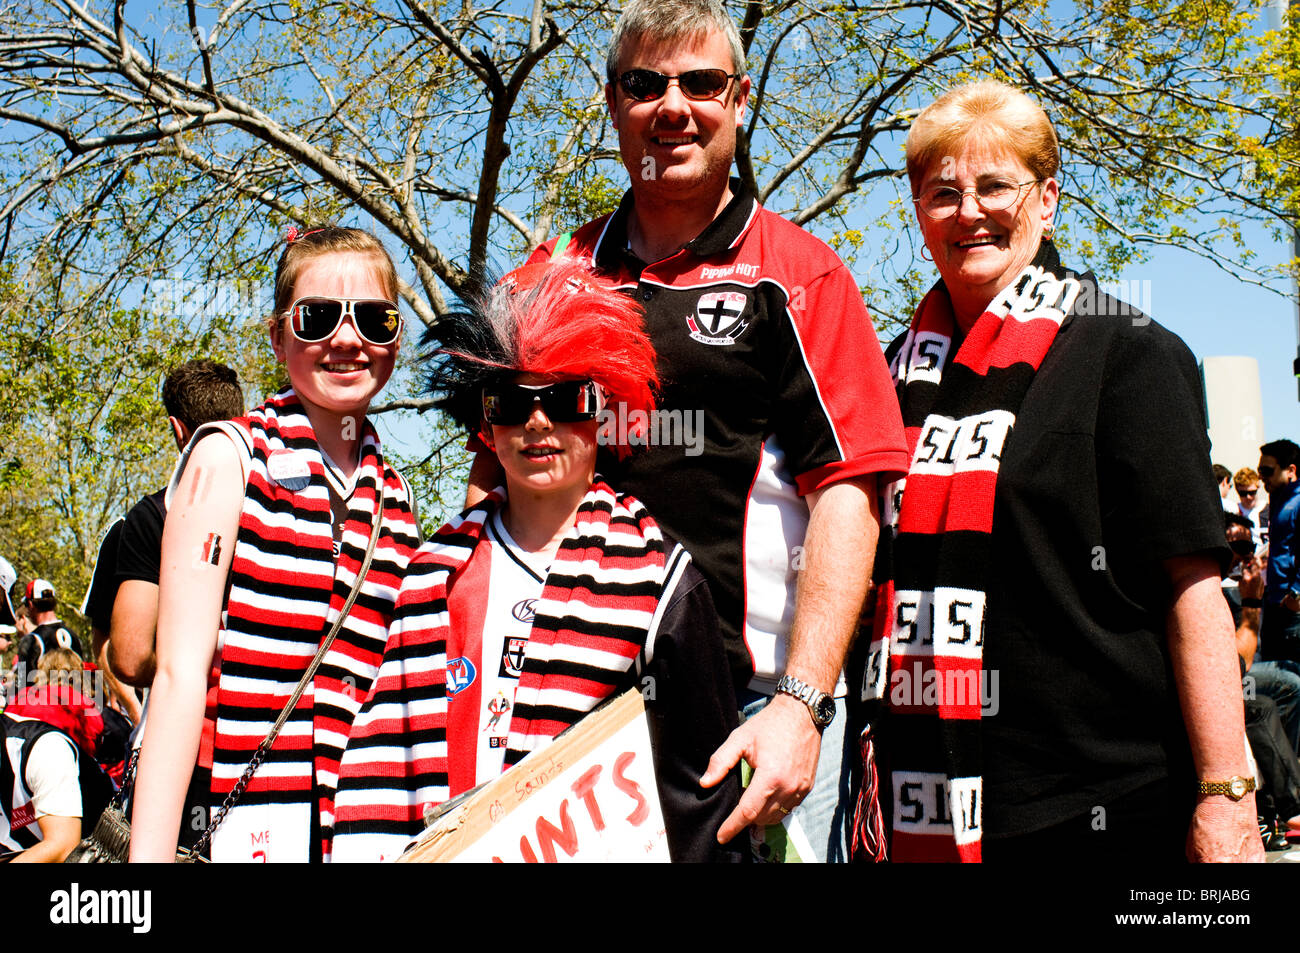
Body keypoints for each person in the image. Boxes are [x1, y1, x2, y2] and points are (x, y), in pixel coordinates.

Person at [474, 0, 909, 862]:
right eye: (645, 84)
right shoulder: (549, 278)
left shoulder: (802, 274)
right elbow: (493, 482)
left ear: (739, 98)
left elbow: (852, 493)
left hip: (751, 707)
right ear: (612, 104)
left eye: (701, 83)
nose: (673, 107)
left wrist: (802, 703)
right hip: (573, 699)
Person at [858, 79, 1259, 862]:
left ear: (1046, 201)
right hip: (928, 796)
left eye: (995, 186)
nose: (970, 211)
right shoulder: (891, 378)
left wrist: (1225, 792)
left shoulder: (1129, 353)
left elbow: (1192, 587)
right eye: (943, 193)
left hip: (1105, 803)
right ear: (918, 211)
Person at [333, 262, 744, 862]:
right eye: (511, 402)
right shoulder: (429, 574)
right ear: (484, 421)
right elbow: (384, 751)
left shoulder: (659, 578)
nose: (537, 422)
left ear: (604, 410)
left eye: (565, 397)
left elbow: (700, 787)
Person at [130, 226, 422, 862]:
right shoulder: (227, 457)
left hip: (364, 831)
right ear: (278, 334)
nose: (347, 339)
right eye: (317, 317)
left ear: (396, 337)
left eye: (374, 318)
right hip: (241, 824)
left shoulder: (397, 497)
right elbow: (177, 676)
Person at [87, 360, 244, 705]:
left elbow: (129, 658)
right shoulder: (287, 509)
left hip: (189, 726)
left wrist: (183, 670)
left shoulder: (153, 518)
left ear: (178, 429)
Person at [1259, 439, 1300, 663]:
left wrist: (1295, 593)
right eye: (1260, 471)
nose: (1262, 477)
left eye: (1267, 471)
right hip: (1274, 602)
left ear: (1291, 470)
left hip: (1291, 608)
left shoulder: (1297, 501)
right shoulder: (1278, 499)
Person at [15, 580, 82, 675]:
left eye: (26, 605)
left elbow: (22, 683)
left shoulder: (32, 640)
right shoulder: (74, 636)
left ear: (30, 605)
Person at [1232, 466, 1267, 548]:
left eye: (1252, 492)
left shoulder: (1270, 510)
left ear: (1258, 487)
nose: (1248, 497)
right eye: (1243, 493)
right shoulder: (1234, 512)